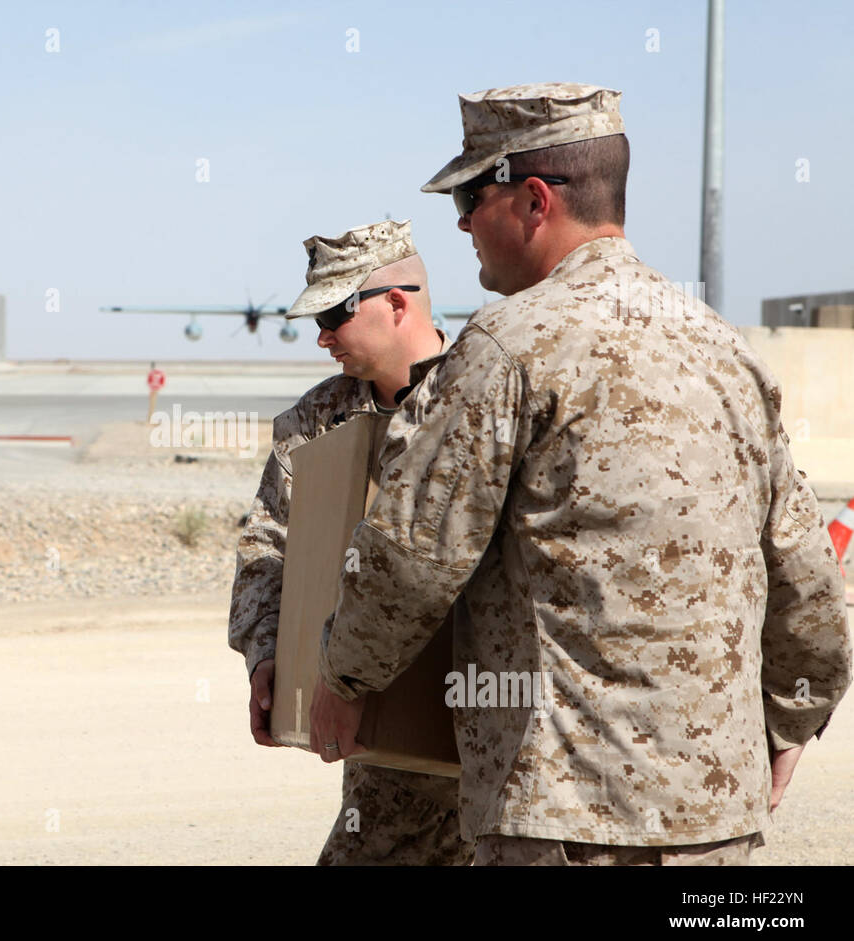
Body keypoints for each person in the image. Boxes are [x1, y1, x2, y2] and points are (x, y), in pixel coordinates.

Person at [310, 83, 853, 866]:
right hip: (715, 824)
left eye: (471, 193)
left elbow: (414, 554)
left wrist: (343, 677)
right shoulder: (728, 352)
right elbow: (806, 577)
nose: (460, 221)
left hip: (564, 821)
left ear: (534, 200)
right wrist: (791, 719)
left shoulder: (507, 345)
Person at [228, 218, 471, 865]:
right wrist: (266, 654)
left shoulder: (486, 391)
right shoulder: (315, 423)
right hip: (384, 752)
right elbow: (266, 546)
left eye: (336, 313)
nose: (322, 336)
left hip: (496, 737)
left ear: (397, 302)